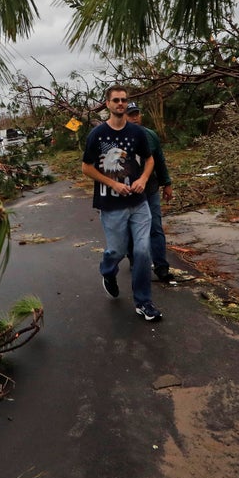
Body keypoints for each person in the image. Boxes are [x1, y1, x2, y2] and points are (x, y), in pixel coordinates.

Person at [81, 85, 163, 322]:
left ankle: (144, 302)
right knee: (116, 250)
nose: (120, 104)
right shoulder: (97, 135)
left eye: (124, 100)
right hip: (111, 204)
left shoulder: (137, 133)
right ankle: (108, 271)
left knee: (142, 251)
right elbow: (86, 168)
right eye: (116, 100)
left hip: (139, 202)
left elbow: (149, 160)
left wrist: (144, 179)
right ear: (107, 104)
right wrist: (113, 183)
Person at [126, 102, 174, 283]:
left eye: (136, 114)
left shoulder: (150, 136)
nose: (135, 117)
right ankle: (133, 259)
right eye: (131, 114)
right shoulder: (119, 137)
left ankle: (161, 267)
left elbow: (159, 161)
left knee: (155, 227)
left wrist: (167, 184)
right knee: (130, 227)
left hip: (150, 188)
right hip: (128, 191)